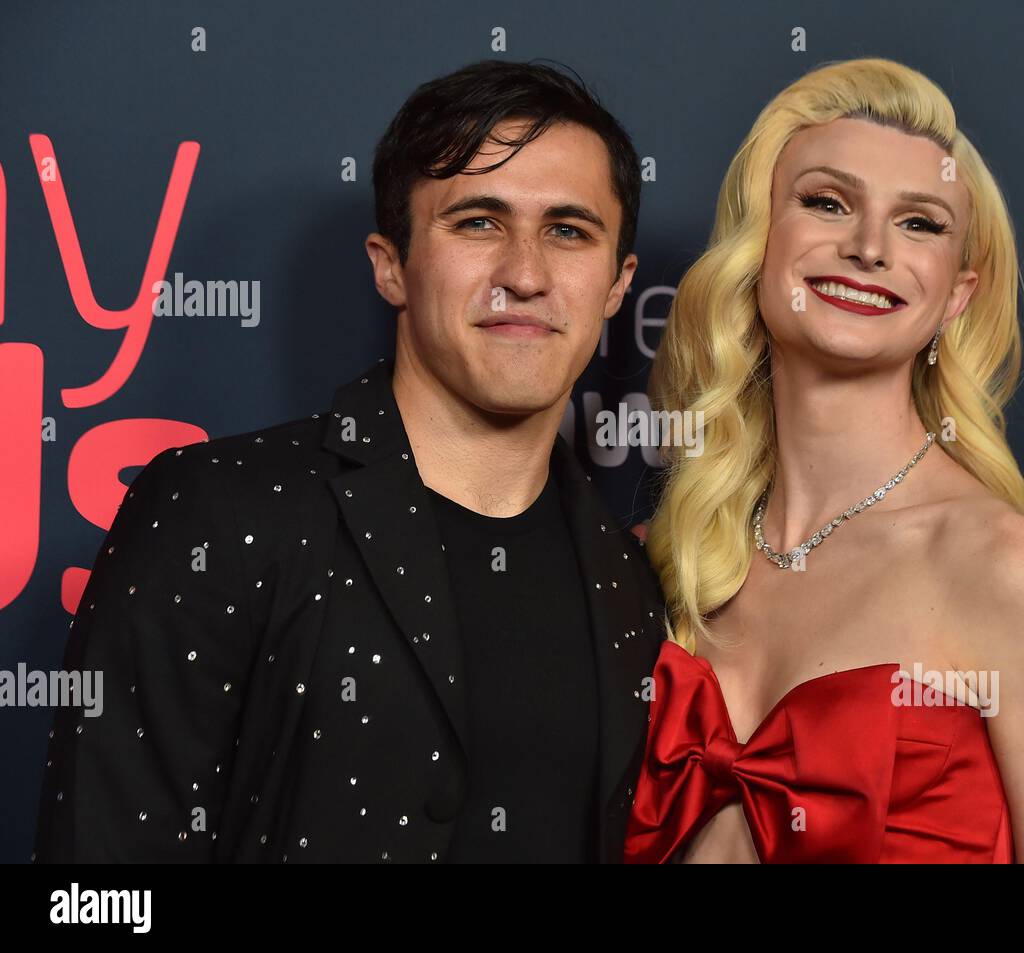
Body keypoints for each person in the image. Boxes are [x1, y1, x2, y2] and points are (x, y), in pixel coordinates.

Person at [35, 59, 664, 864]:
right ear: (390, 264)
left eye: (568, 231)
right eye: (478, 222)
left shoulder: (637, 584)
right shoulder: (218, 511)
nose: (526, 274)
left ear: (618, 285)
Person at [623, 57, 1024, 863]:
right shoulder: (660, 559)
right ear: (760, 245)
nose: (867, 247)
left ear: (956, 294)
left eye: (919, 222)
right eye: (827, 202)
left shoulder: (1014, 572)